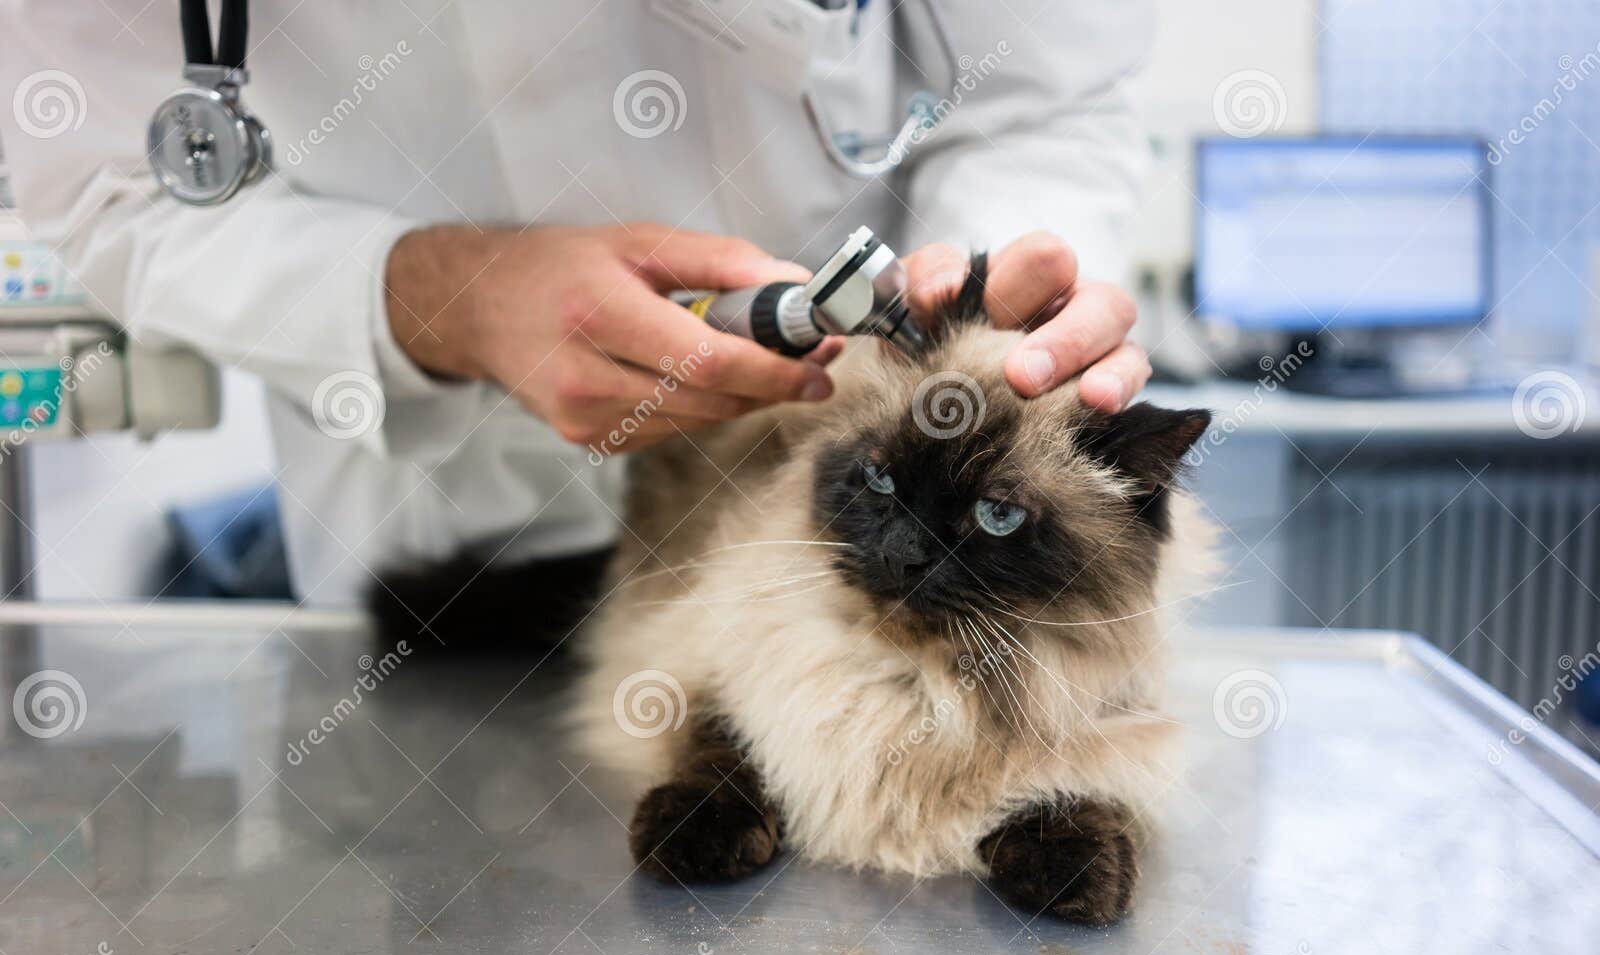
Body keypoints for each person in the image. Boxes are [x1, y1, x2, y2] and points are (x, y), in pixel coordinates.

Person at [0, 1, 1154, 606]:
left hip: (826, 521)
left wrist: (996, 294)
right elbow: (105, 180)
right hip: (428, 559)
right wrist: (441, 296)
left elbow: (1040, 101)